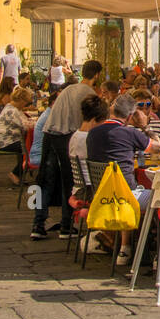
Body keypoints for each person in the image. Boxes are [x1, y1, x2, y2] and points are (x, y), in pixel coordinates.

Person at [86, 94, 160, 261]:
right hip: (126, 196)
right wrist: (144, 127)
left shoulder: (92, 133)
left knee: (125, 187)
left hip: (101, 194)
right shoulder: (129, 133)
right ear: (129, 117)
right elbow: (159, 148)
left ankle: (125, 248)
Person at [36, 59, 105, 240]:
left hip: (49, 134)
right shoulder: (89, 93)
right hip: (66, 135)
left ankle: (37, 224)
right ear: (97, 75)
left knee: (44, 179)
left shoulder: (68, 88)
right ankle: (66, 226)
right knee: (70, 180)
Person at [0, 85, 34, 186]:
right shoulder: (12, 111)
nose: (25, 106)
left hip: (7, 140)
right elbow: (26, 126)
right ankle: (15, 173)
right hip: (7, 143)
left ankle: (19, 172)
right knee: (31, 148)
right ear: (21, 100)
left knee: (30, 146)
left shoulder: (11, 108)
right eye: (25, 103)